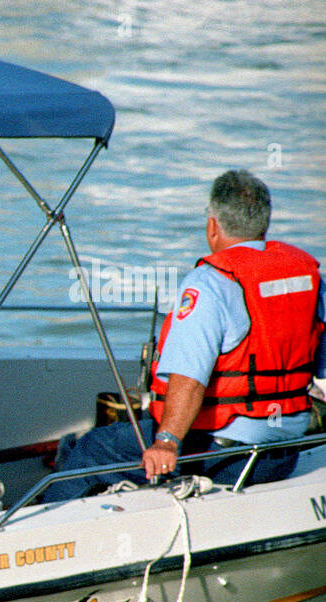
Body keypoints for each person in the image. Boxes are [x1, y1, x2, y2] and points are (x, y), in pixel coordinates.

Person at [45, 169, 326, 502]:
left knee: (92, 448)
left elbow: (189, 381)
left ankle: (44, 531)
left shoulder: (210, 284)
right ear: (264, 224)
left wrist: (166, 443)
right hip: (282, 452)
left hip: (227, 457)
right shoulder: (307, 279)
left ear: (212, 225)